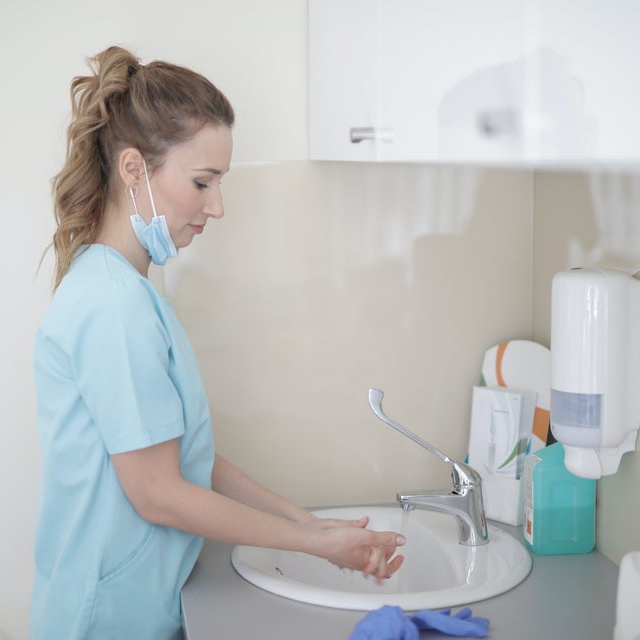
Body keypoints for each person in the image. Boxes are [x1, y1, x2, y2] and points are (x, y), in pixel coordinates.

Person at [31, 45, 406, 640]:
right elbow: (160, 494)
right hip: (107, 621)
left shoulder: (126, 289)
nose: (218, 206)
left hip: (135, 608)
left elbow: (185, 458)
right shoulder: (113, 303)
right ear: (134, 170)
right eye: (202, 182)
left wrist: (306, 523)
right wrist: (312, 543)